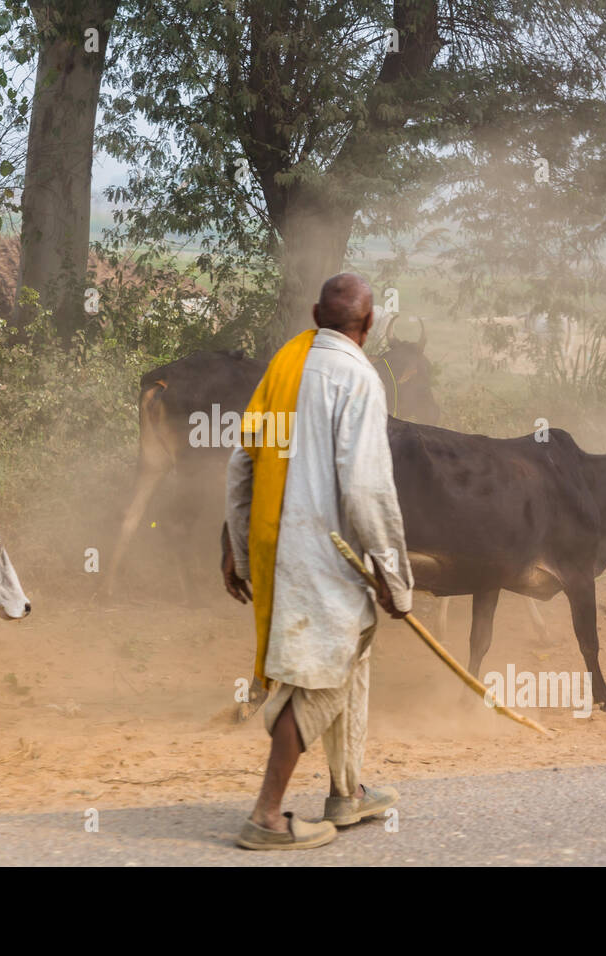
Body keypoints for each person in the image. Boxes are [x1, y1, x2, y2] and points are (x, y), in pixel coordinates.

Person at [223, 272, 413, 850]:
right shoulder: (358, 378)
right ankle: (266, 815)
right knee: (318, 680)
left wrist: (237, 548)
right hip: (325, 557)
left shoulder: (285, 365)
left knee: (349, 658)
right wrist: (392, 573)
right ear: (370, 323)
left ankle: (346, 792)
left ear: (314, 314)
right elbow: (366, 489)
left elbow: (242, 463)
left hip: (278, 547)